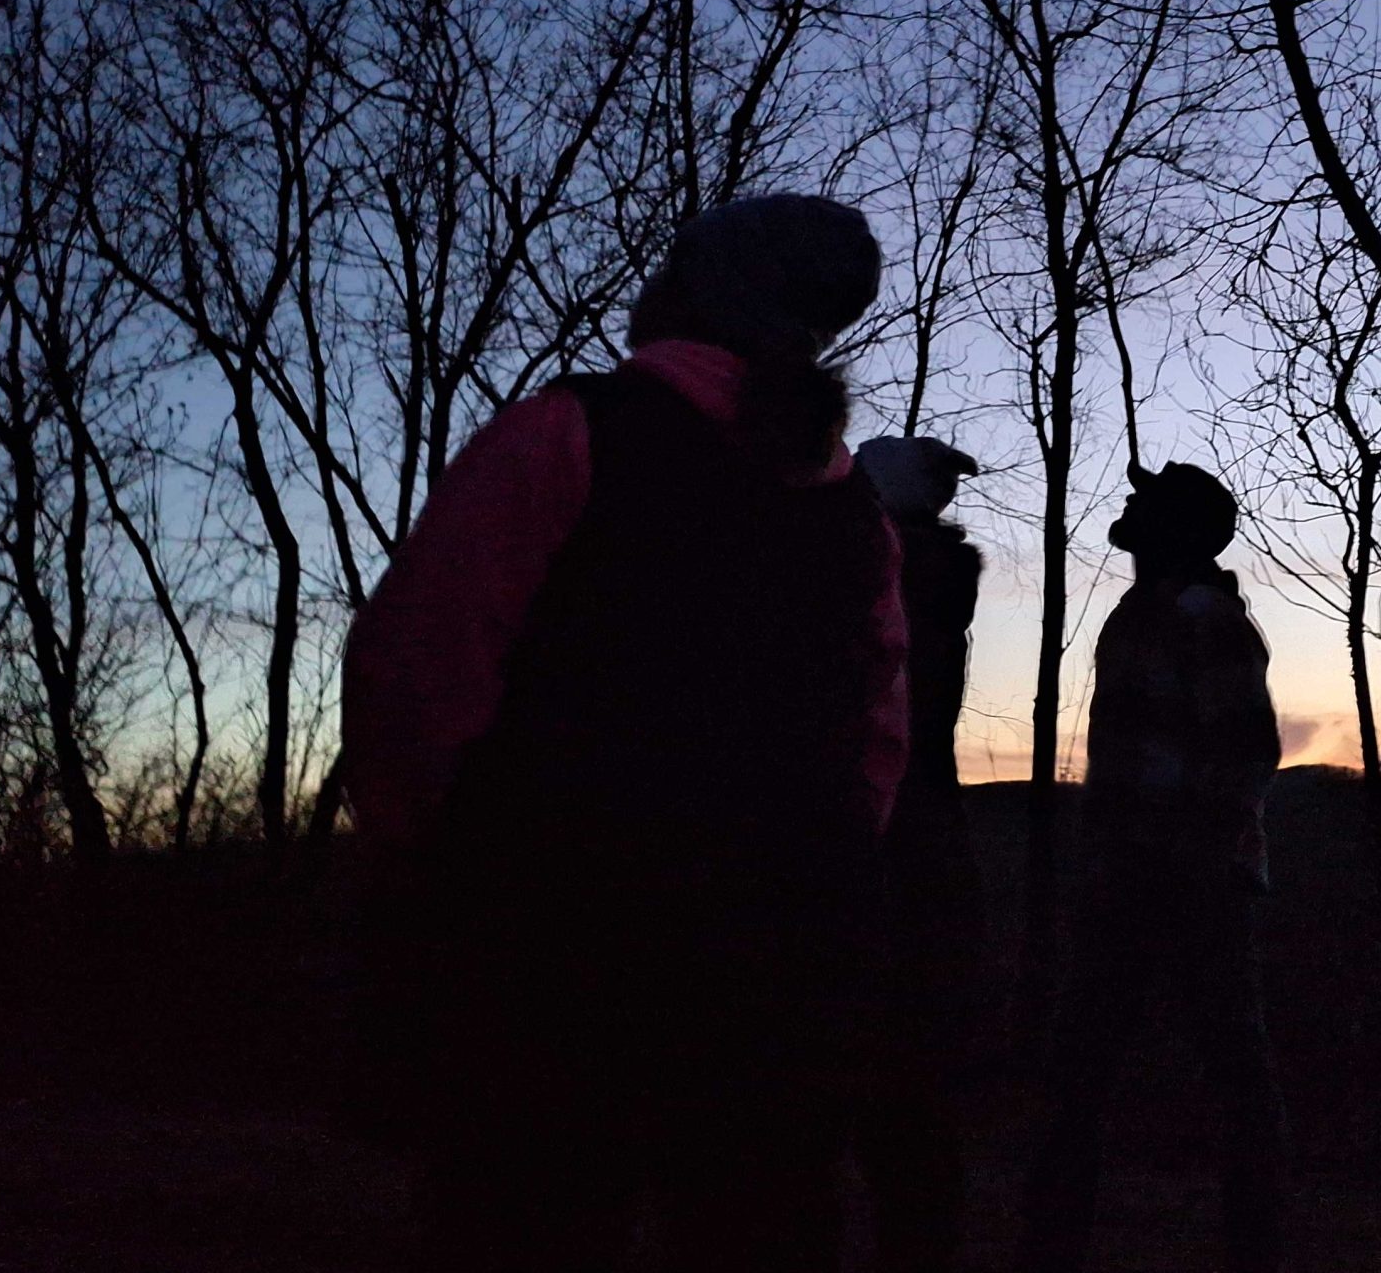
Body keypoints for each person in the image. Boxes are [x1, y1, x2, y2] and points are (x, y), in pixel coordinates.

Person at [342, 193, 907, 1273]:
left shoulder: (569, 429)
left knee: (526, 1224)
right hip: (786, 966)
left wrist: (432, 854)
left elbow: (417, 664)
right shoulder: (847, 507)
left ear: (693, 289)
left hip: (553, 948)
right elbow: (876, 739)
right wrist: (818, 876)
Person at [1021, 461, 1286, 1273]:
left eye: (1148, 499)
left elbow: (1245, 755)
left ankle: (1254, 1248)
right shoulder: (1141, 611)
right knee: (1082, 1066)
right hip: (1129, 876)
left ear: (1177, 526)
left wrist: (1192, 863)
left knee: (1226, 1070)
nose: (1130, 503)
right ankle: (1054, 1244)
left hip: (1188, 881)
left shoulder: (1206, 619)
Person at [852, 434, 985, 1273]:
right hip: (929, 844)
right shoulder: (933, 580)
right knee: (914, 1083)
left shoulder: (876, 580)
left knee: (889, 1075)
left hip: (881, 848)